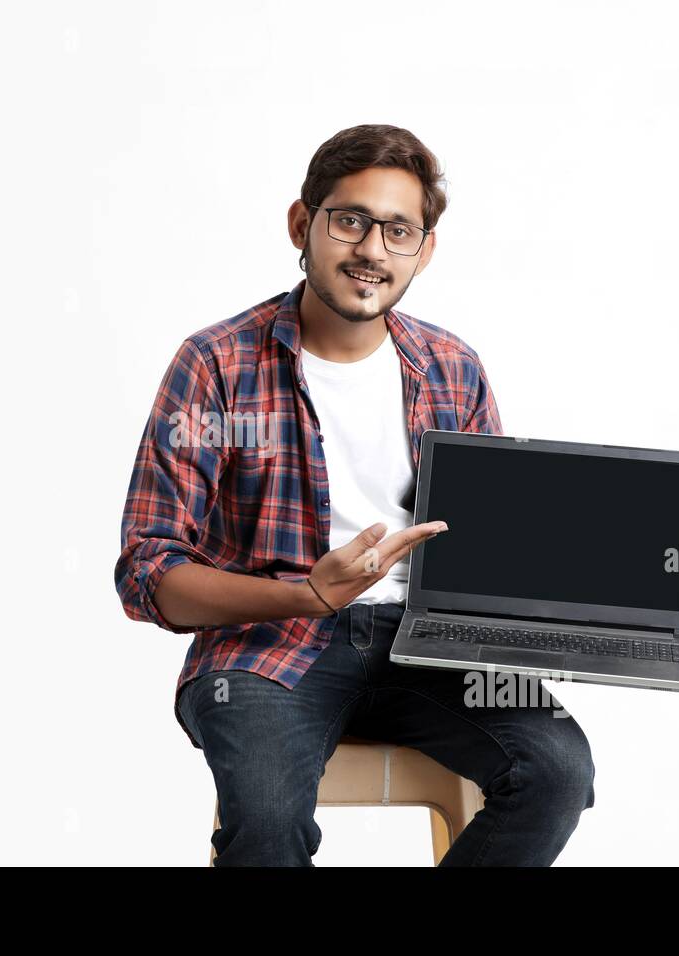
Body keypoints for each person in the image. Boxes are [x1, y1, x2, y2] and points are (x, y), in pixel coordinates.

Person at [114, 124, 595, 866]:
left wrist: (553, 623)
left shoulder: (452, 368)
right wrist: (307, 595)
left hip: (434, 652)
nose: (373, 249)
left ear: (423, 251)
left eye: (399, 230)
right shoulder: (215, 364)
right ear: (302, 225)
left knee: (559, 772)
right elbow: (150, 576)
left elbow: (489, 559)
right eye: (351, 220)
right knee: (268, 820)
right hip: (264, 652)